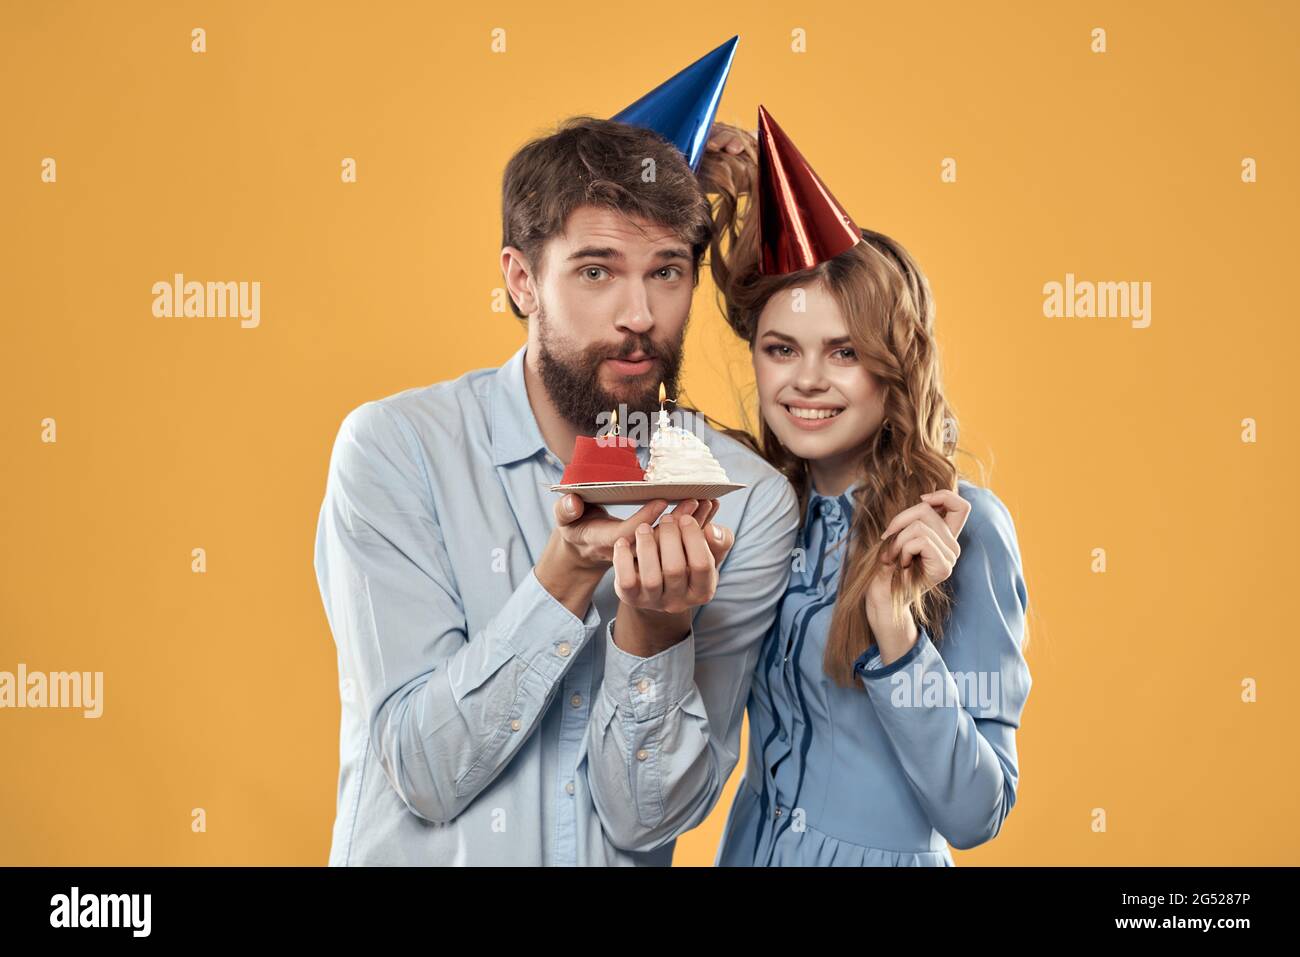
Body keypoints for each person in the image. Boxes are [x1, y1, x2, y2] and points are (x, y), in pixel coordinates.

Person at [312, 61, 802, 864]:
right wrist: (566, 574)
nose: (639, 316)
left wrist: (654, 628)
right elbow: (423, 770)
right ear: (521, 279)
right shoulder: (397, 449)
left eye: (667, 271)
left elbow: (648, 819)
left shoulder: (744, 501)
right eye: (597, 271)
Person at [699, 107, 1033, 866]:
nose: (807, 380)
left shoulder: (961, 529)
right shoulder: (758, 507)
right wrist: (701, 192)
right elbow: (627, 392)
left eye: (843, 351)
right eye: (781, 348)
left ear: (894, 365)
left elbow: (977, 811)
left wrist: (896, 630)